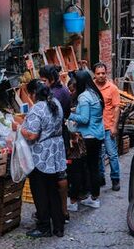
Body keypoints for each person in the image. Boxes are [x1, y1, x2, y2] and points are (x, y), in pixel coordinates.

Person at [22, 79, 68, 238]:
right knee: (53, 189)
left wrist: (20, 129)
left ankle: (43, 226)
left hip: (41, 155)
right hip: (55, 152)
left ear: (34, 93)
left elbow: (33, 135)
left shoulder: (37, 109)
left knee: (40, 191)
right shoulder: (55, 103)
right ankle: (58, 225)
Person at [67, 69, 105, 209]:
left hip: (87, 137)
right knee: (93, 167)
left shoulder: (83, 97)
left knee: (77, 169)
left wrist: (69, 115)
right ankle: (94, 198)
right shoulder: (95, 93)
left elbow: (84, 119)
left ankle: (73, 201)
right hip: (97, 135)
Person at [40, 64, 71, 222]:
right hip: (62, 135)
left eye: (43, 80)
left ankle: (55, 211)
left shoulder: (53, 96)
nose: (42, 83)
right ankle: (63, 210)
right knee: (61, 171)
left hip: (52, 138)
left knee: (53, 175)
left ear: (51, 80)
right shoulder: (65, 90)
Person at [93, 62, 123, 192]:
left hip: (107, 126)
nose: (101, 76)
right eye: (98, 73)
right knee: (98, 155)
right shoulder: (91, 87)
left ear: (106, 74)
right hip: (95, 128)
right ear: (94, 74)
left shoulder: (112, 88)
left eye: (103, 73)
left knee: (112, 154)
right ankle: (100, 178)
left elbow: (117, 108)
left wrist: (114, 126)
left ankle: (115, 179)